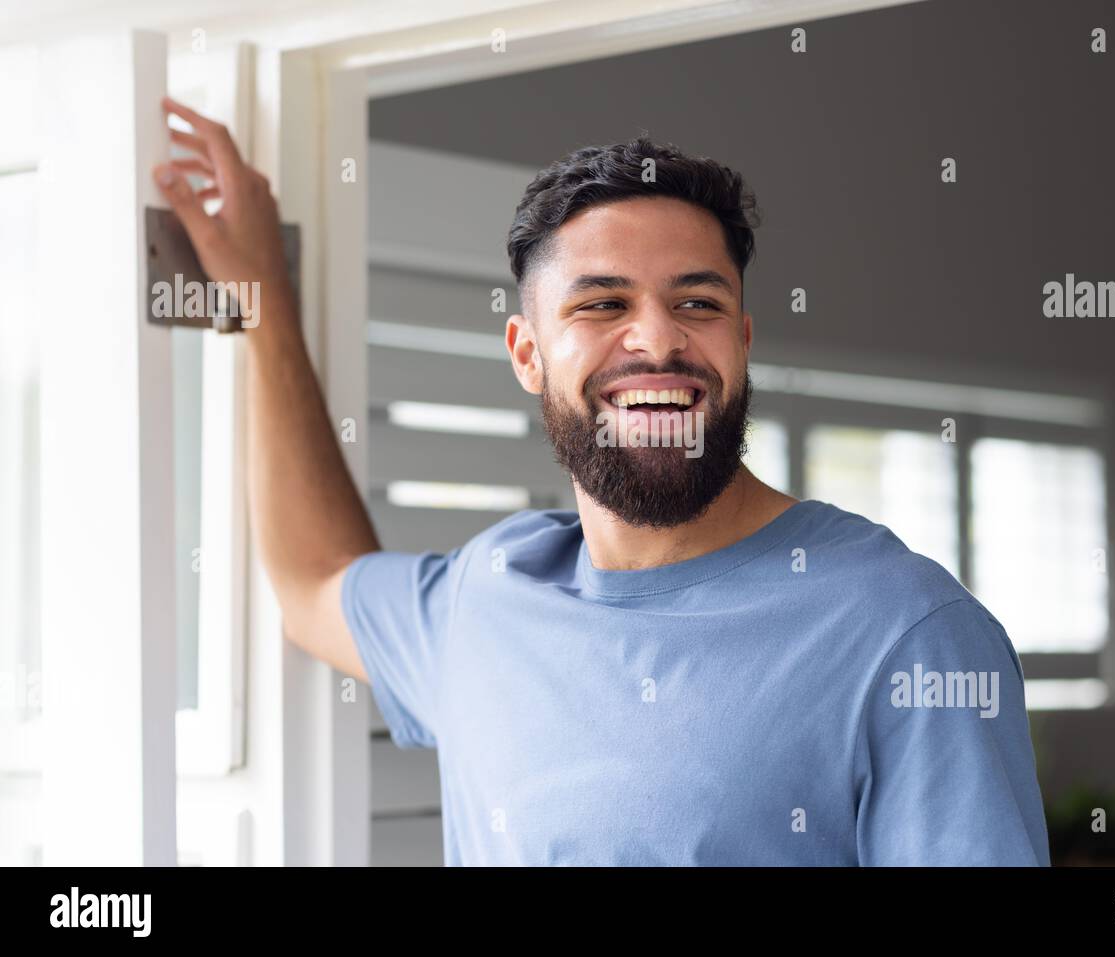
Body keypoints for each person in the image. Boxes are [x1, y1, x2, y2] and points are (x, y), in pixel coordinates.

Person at [153, 97, 1051, 866]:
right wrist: (260, 300)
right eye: (602, 303)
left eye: (697, 303)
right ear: (528, 354)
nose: (657, 340)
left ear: (742, 341)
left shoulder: (907, 632)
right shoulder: (489, 594)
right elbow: (313, 582)